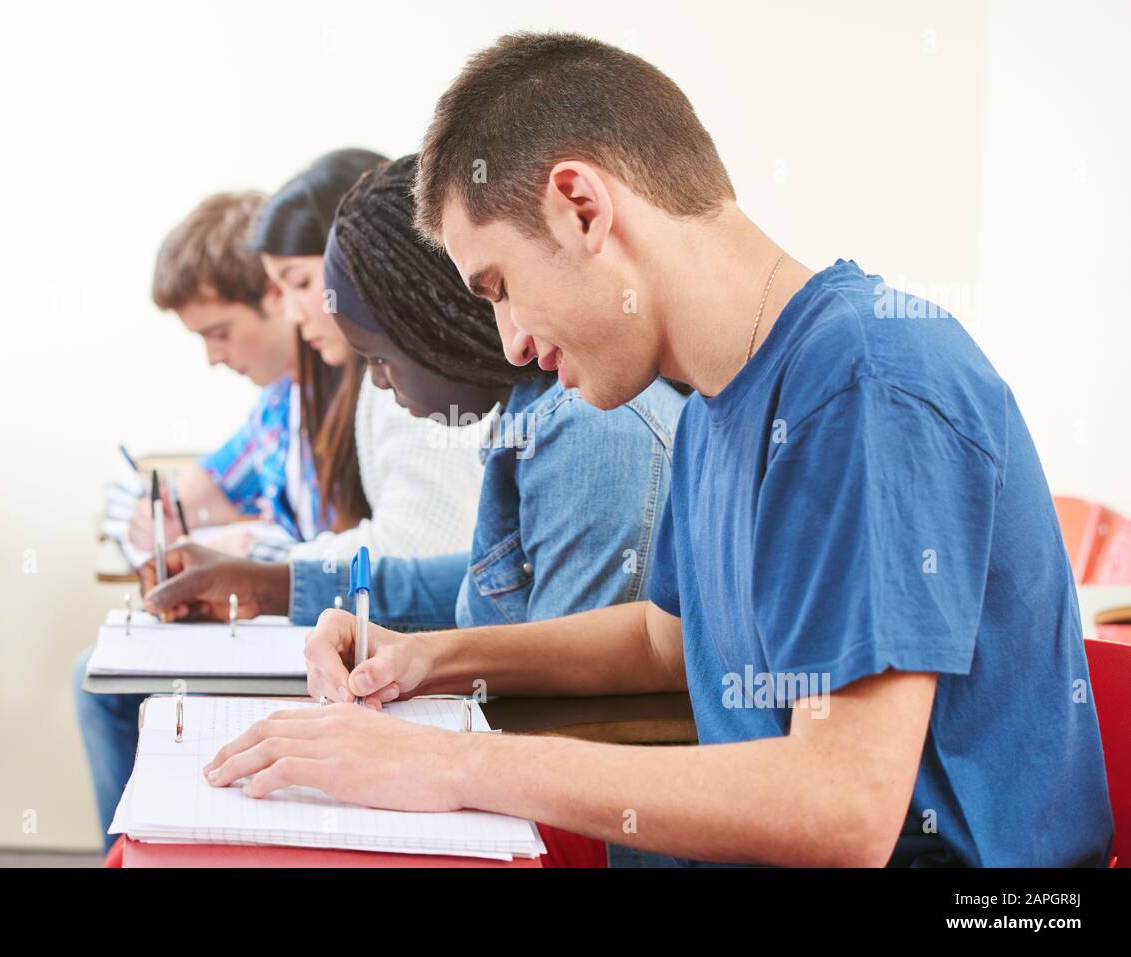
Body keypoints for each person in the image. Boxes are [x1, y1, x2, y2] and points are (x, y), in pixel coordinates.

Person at [201, 33, 1113, 867]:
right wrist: (425, 656)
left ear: (582, 208)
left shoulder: (865, 381)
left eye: (500, 287)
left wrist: (450, 764)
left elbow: (843, 806)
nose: (511, 341)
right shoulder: (721, 396)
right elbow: (662, 640)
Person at [73, 150, 485, 849]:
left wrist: (265, 566)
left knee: (112, 690)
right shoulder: (314, 396)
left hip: (384, 646)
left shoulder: (391, 389)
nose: (303, 310)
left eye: (302, 284)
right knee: (111, 685)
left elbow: (421, 556)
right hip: (359, 633)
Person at [143, 154, 685, 650]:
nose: (377, 385)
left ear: (434, 324)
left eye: (378, 359)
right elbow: (479, 582)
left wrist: (419, 667)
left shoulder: (584, 425)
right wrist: (268, 586)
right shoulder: (528, 414)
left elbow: (568, 674)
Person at [127, 191, 341, 558]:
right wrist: (163, 511)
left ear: (275, 293)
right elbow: (214, 485)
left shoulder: (356, 390)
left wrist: (253, 553)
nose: (213, 357)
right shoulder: (280, 400)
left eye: (220, 334)